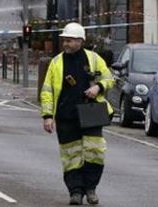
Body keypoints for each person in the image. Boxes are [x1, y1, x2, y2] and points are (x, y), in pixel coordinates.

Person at [40, 22, 113, 205]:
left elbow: (109, 78)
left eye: (70, 40)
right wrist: (48, 116)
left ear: (80, 41)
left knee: (95, 152)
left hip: (91, 113)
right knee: (71, 157)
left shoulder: (94, 59)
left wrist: (98, 87)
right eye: (64, 40)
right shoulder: (56, 62)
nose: (65, 44)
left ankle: (91, 188)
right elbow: (47, 90)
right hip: (66, 116)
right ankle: (75, 192)